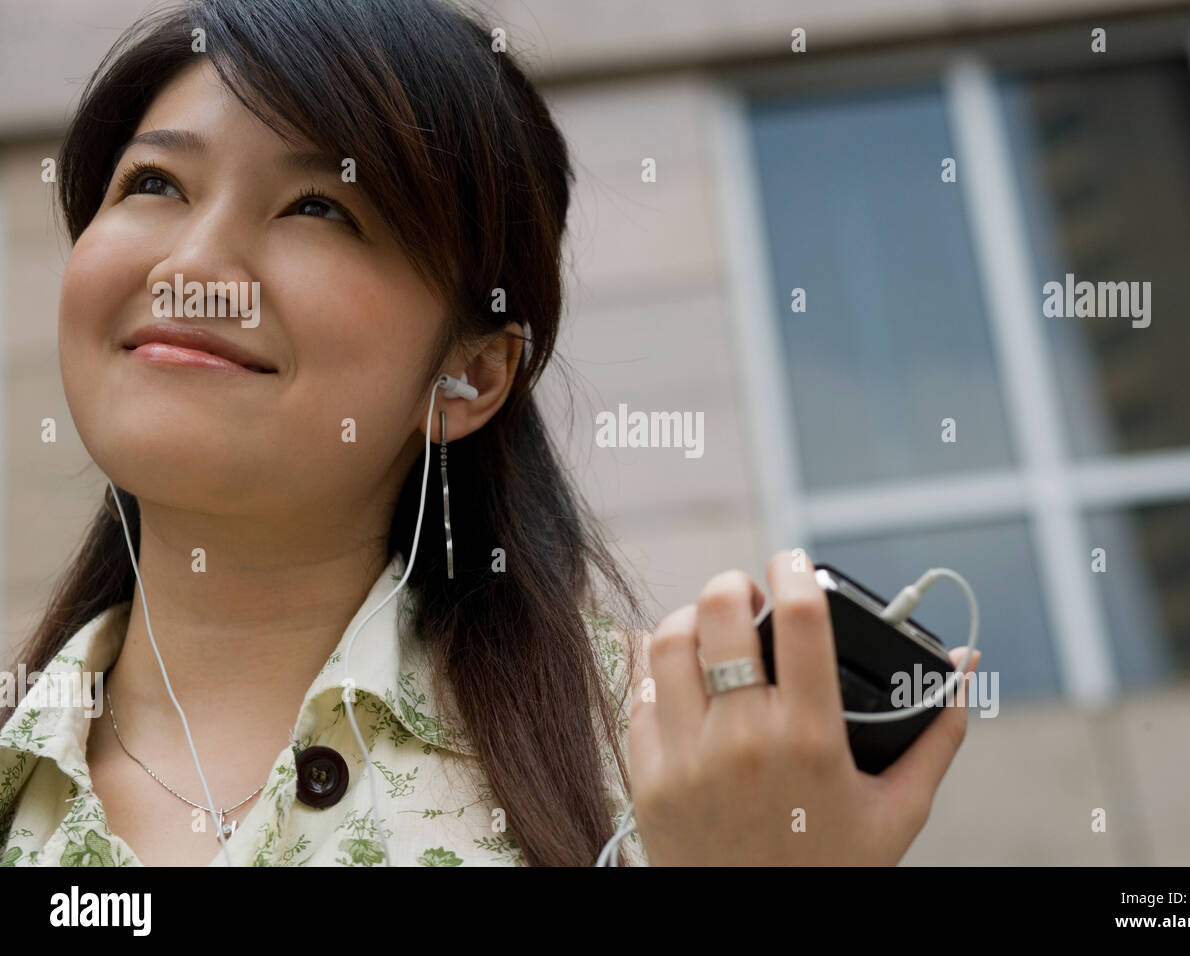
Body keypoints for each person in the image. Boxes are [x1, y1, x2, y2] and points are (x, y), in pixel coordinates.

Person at [0, 0, 975, 867]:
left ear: (469, 373)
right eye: (155, 185)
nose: (193, 264)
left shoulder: (678, 756)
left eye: (316, 206)